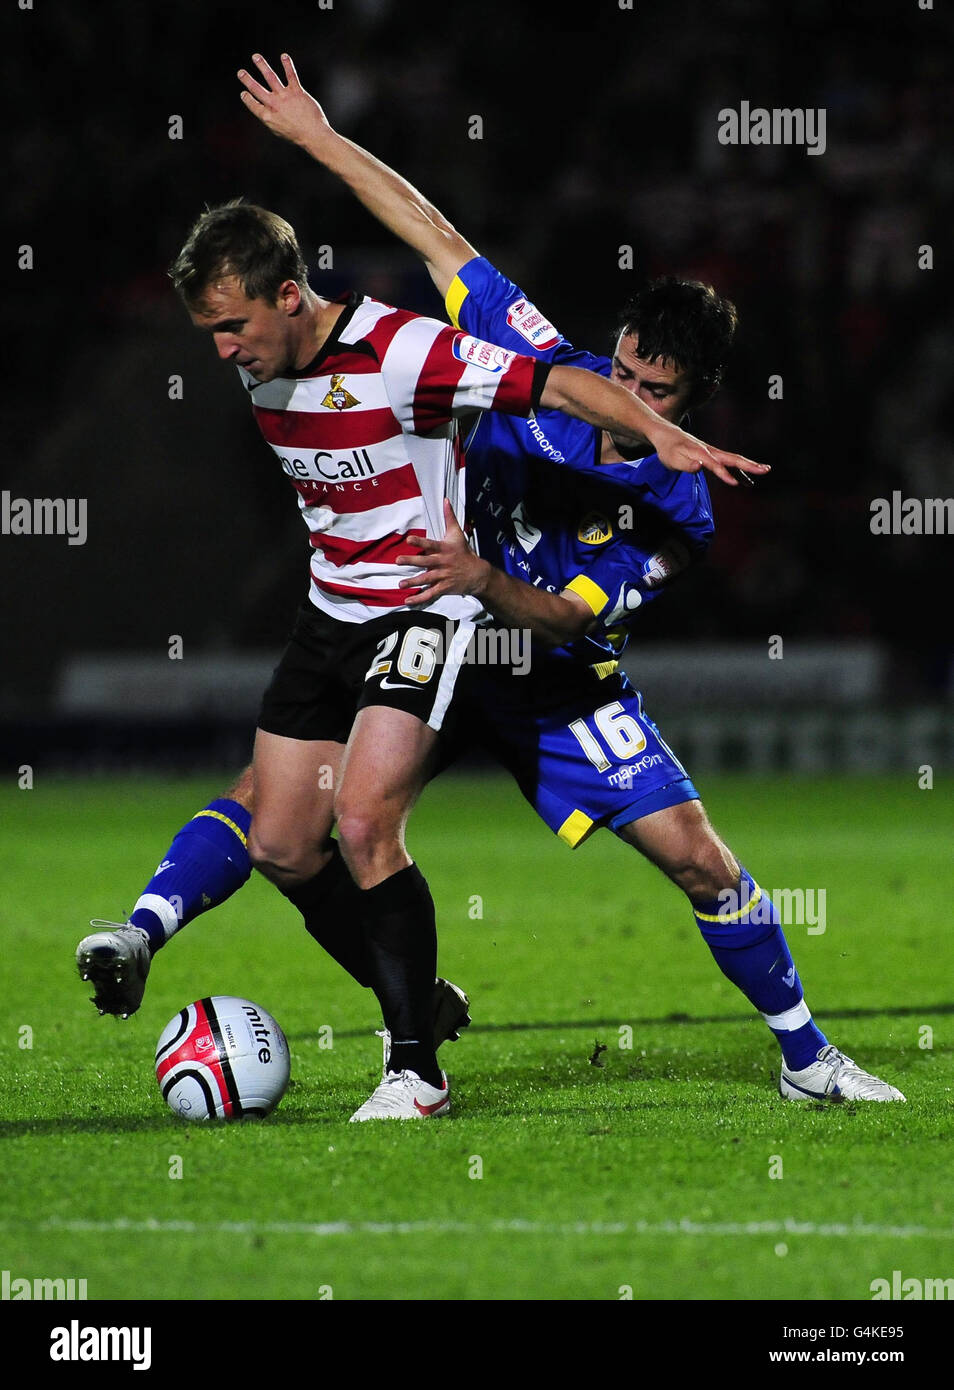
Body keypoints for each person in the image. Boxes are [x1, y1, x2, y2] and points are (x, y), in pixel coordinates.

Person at [76, 52, 768, 1124]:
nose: (222, 351)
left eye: (233, 328)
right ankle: (400, 999)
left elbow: (558, 414)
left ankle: (418, 1071)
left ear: (289, 296)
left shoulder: (412, 358)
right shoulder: (268, 357)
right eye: (208, 331)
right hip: (342, 608)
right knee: (280, 838)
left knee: (375, 826)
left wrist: (659, 438)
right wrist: (313, 139)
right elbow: (434, 227)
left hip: (465, 623)